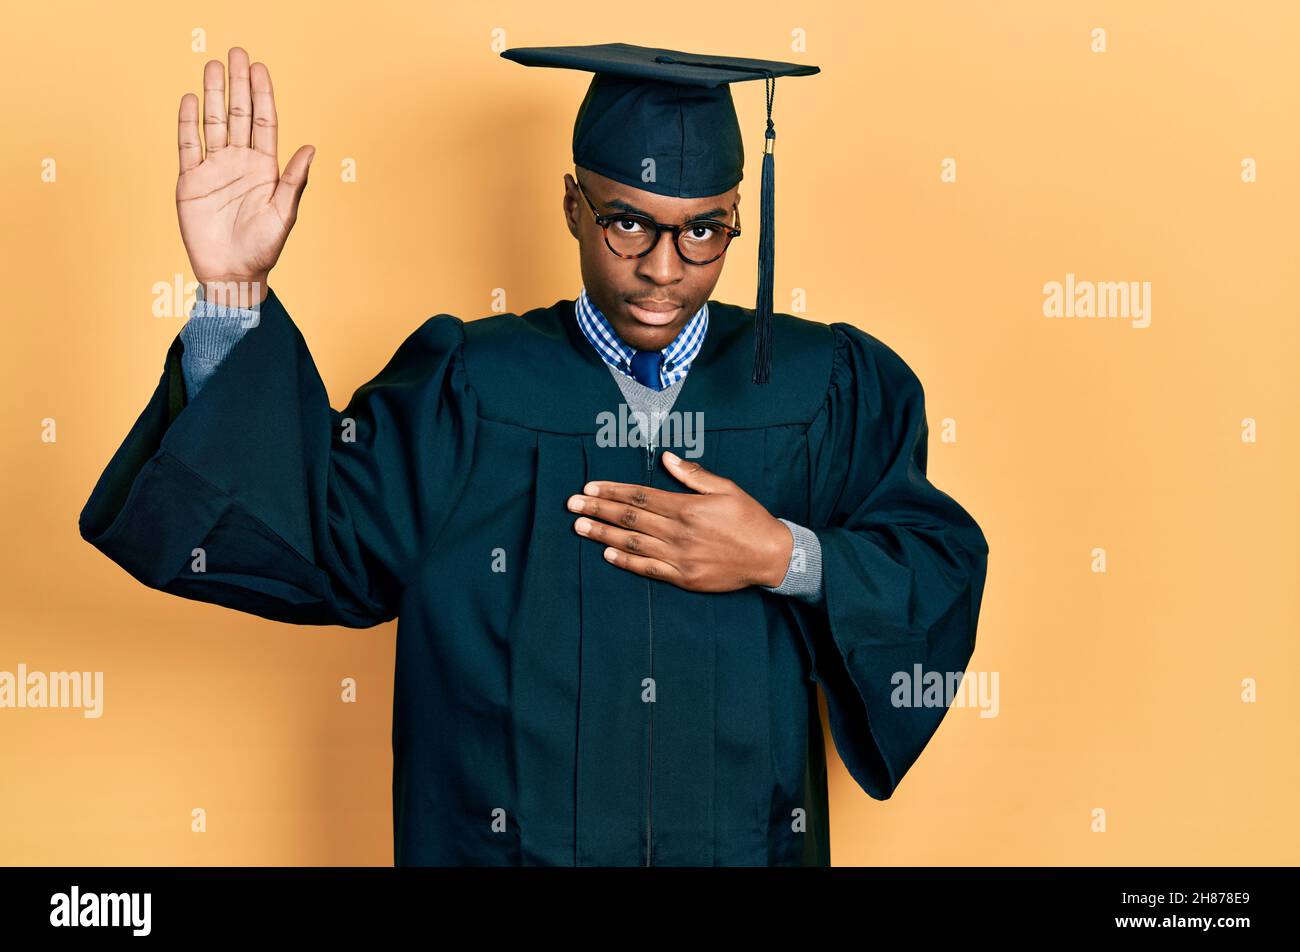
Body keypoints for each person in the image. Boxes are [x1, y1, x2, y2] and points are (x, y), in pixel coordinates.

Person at [79, 42, 990, 866]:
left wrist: (783, 556)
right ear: (573, 205)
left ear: (736, 217)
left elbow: (933, 564)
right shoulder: (469, 386)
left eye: (704, 230)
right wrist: (232, 296)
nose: (665, 269)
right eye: (627, 223)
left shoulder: (820, 386)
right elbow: (309, 540)